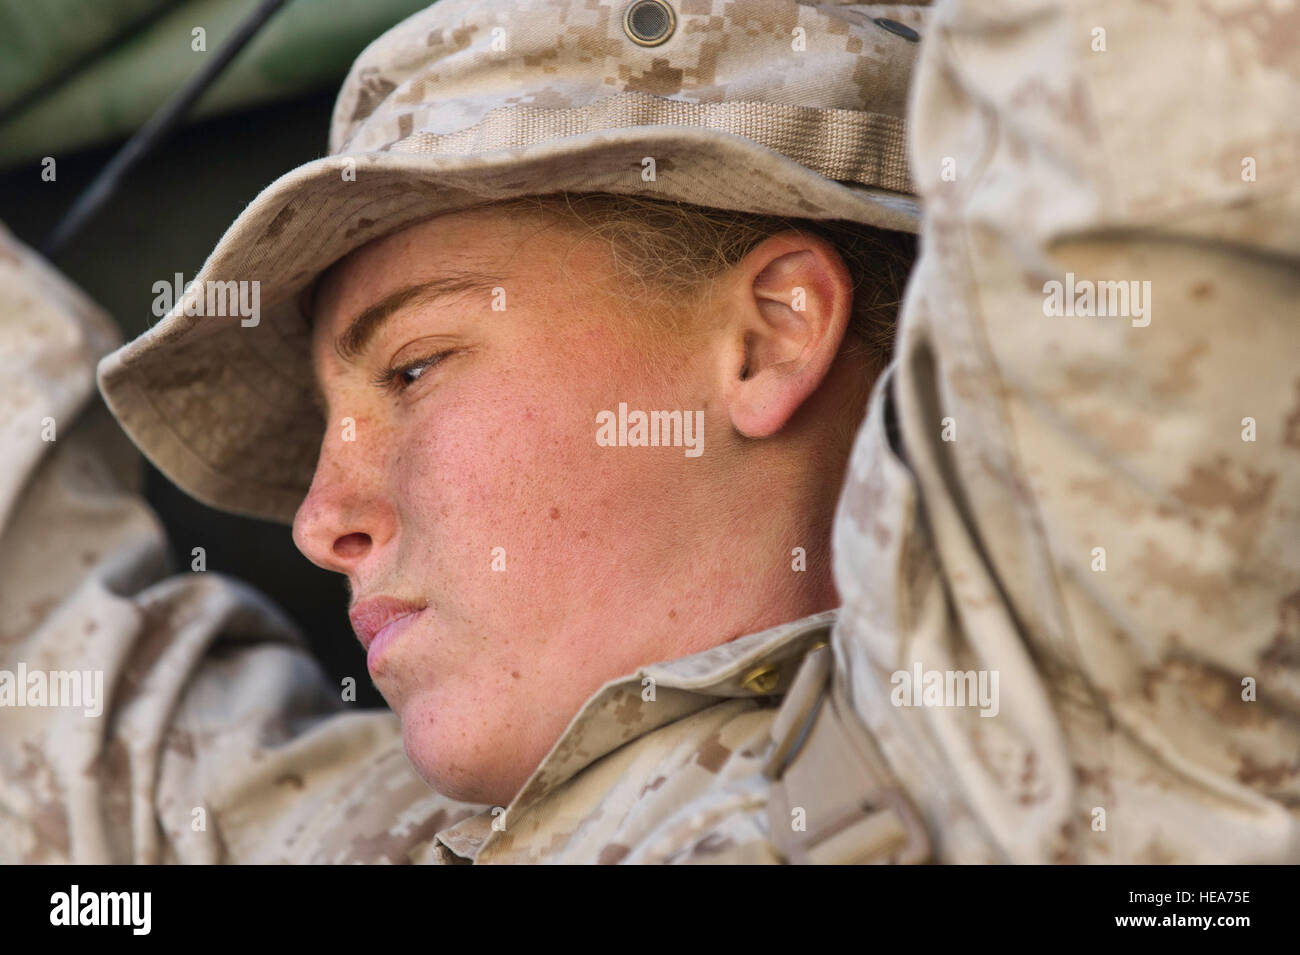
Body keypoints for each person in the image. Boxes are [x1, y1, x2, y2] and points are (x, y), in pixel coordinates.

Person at [4, 0, 1297, 864]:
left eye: (413, 366)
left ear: (773, 333)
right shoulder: (371, 836)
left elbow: (1148, 154)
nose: (319, 518)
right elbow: (45, 651)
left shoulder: (1035, 723)